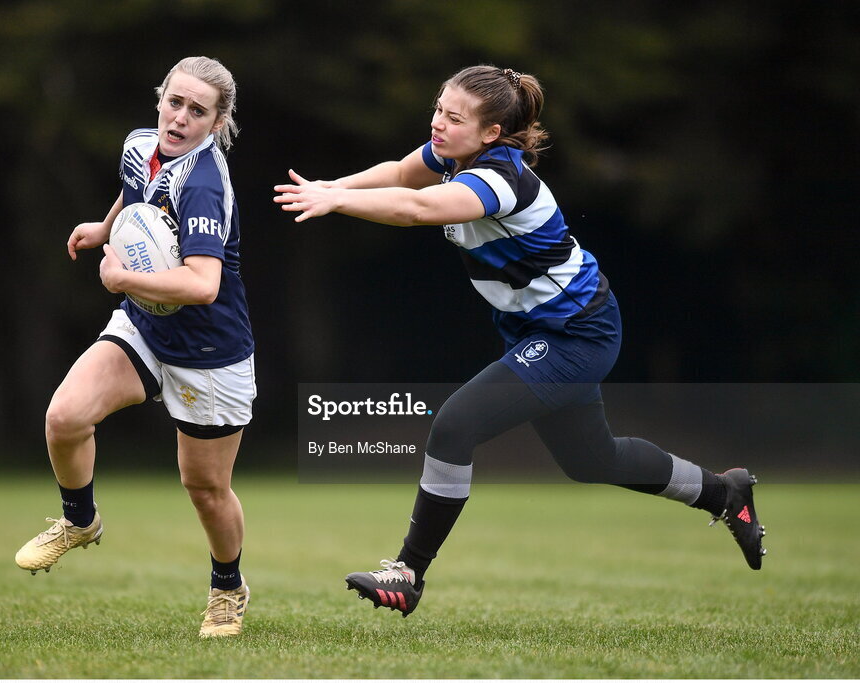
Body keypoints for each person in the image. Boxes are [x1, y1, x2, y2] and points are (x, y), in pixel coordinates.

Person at [274, 65, 766, 617]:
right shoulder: (451, 154)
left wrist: (335, 202)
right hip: (543, 331)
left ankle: (408, 572)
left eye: (453, 117)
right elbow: (400, 173)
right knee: (590, 459)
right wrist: (329, 188)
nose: (437, 123)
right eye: (438, 107)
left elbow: (416, 208)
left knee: (455, 424)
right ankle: (726, 493)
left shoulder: (500, 180)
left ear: (490, 134)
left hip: (578, 332)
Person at [15, 56, 255, 638]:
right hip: (147, 327)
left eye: (198, 111)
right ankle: (80, 521)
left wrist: (122, 279)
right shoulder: (141, 144)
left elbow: (202, 284)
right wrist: (105, 229)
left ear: (217, 123)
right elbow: (137, 197)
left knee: (205, 488)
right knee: (65, 417)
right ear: (160, 98)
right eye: (175, 102)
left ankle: (228, 587)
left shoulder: (204, 184)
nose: (180, 118)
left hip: (210, 353)